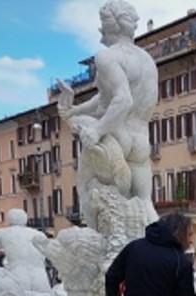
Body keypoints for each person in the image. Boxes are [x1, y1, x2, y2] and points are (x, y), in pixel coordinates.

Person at [57, 0, 160, 228]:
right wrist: (76, 109)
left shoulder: (107, 56)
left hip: (117, 136)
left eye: (102, 27)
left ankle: (99, 246)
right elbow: (106, 98)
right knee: (145, 203)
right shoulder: (148, 61)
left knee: (85, 189)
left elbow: (122, 100)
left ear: (107, 26)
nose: (100, 33)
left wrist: (97, 129)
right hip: (141, 141)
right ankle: (164, 252)